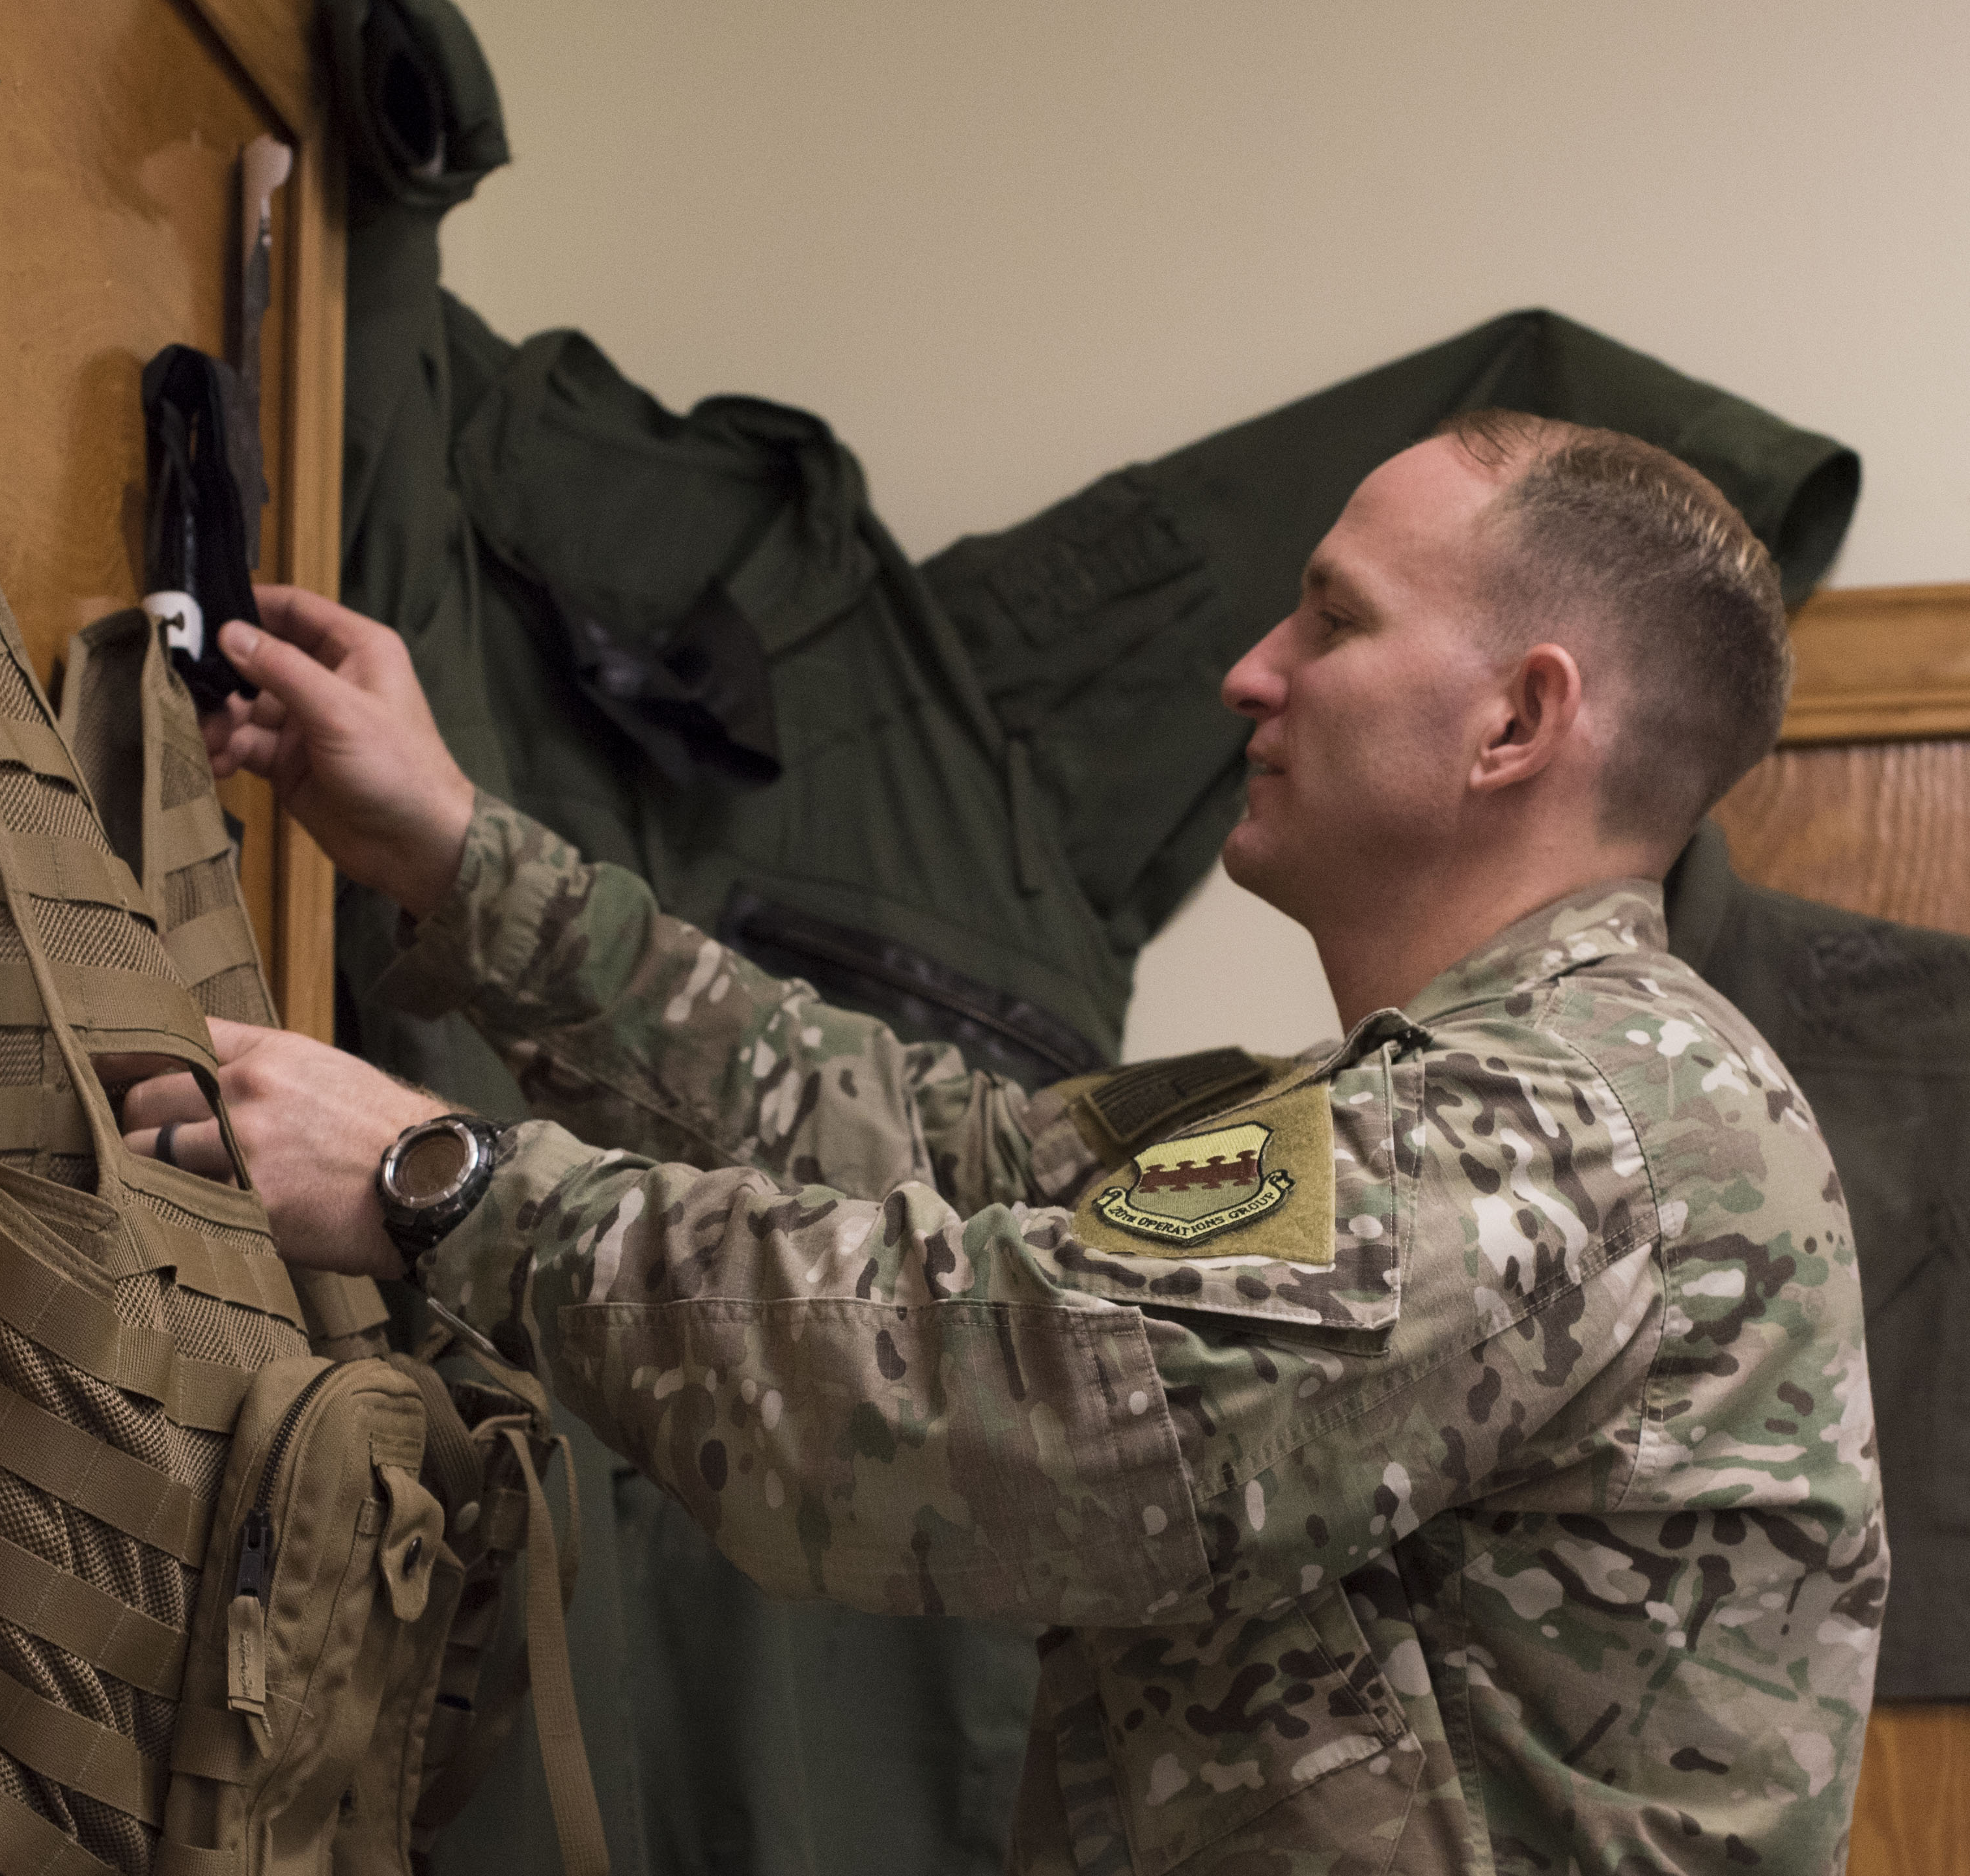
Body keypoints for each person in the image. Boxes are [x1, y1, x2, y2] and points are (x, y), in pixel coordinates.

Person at [117, 413, 1885, 1873]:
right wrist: (458, 857)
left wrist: (447, 1184)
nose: (1249, 671)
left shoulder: (1569, 1131)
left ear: (1519, 718)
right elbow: (929, 1154)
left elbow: (1012, 1402)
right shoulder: (1432, 1108)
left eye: (1333, 623)